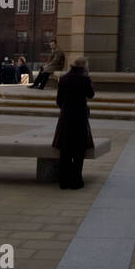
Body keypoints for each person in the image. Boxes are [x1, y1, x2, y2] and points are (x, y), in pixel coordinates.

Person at [53, 58, 95, 190]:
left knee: (65, 149)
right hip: (80, 117)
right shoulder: (85, 79)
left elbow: (59, 101)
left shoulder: (63, 78)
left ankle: (64, 181)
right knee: (78, 149)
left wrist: (66, 107)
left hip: (66, 117)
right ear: (84, 66)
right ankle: (77, 180)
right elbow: (91, 95)